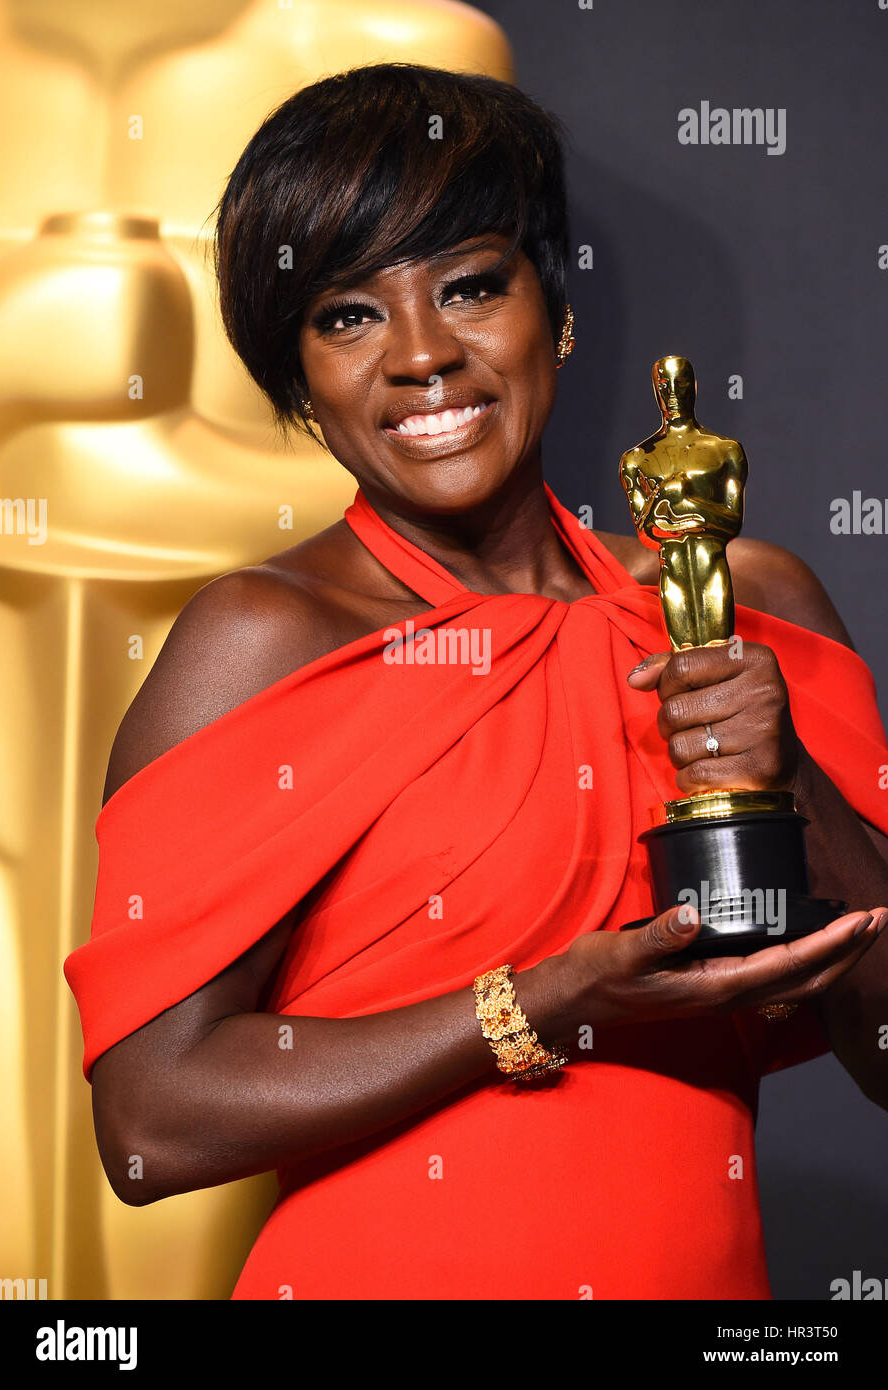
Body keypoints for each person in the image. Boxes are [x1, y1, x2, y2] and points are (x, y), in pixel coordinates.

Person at [65, 62, 888, 1300]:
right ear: (296, 378)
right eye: (347, 314)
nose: (421, 356)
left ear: (553, 311)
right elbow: (149, 1126)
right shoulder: (261, 637)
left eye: (468, 287)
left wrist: (793, 783)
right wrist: (545, 999)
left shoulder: (738, 592)